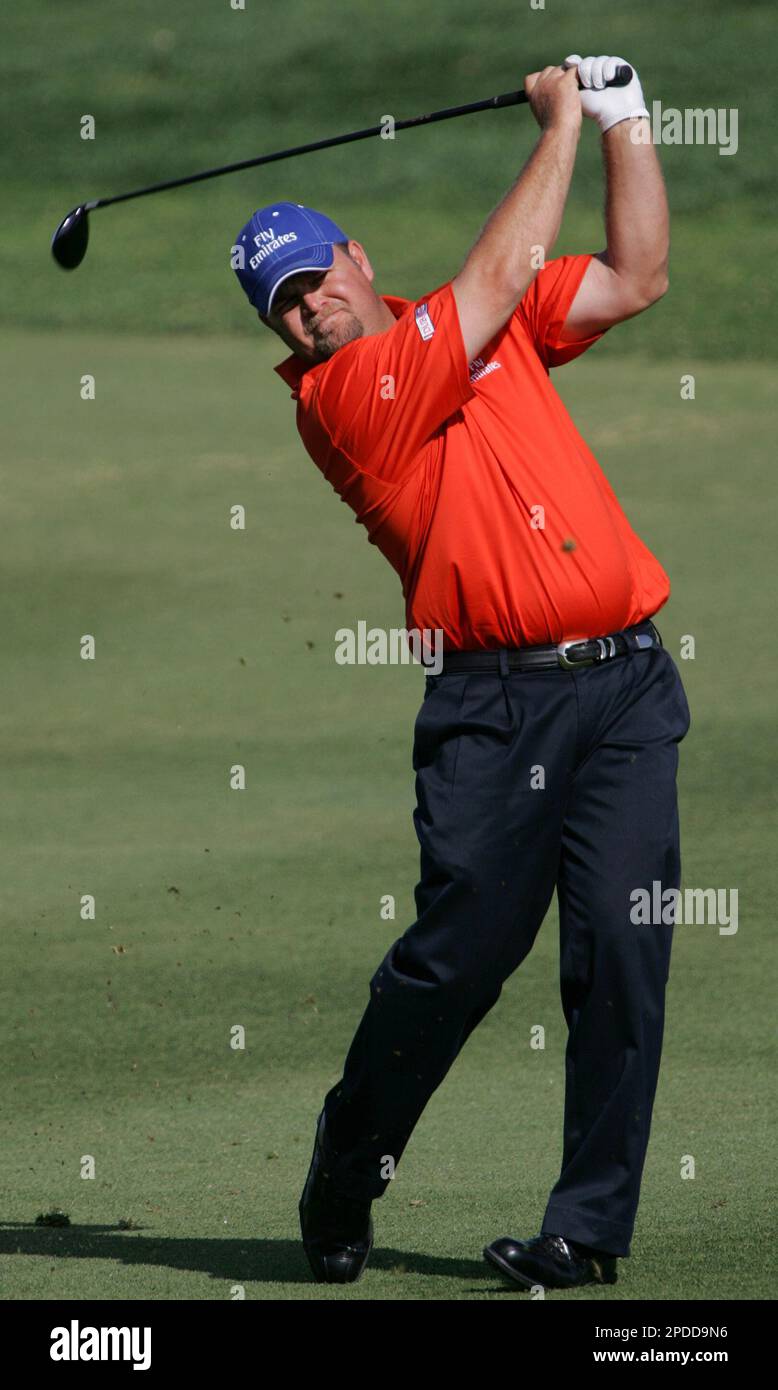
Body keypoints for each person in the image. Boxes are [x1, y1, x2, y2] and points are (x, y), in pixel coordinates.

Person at [232, 54, 692, 1292]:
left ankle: (583, 1234)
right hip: (498, 710)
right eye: (280, 305)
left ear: (359, 259)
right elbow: (494, 284)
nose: (307, 310)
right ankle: (350, 1152)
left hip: (626, 690)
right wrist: (554, 123)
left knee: (619, 949)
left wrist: (623, 118)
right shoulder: (344, 398)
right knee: (456, 964)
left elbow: (635, 273)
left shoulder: (478, 326)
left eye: (315, 280)